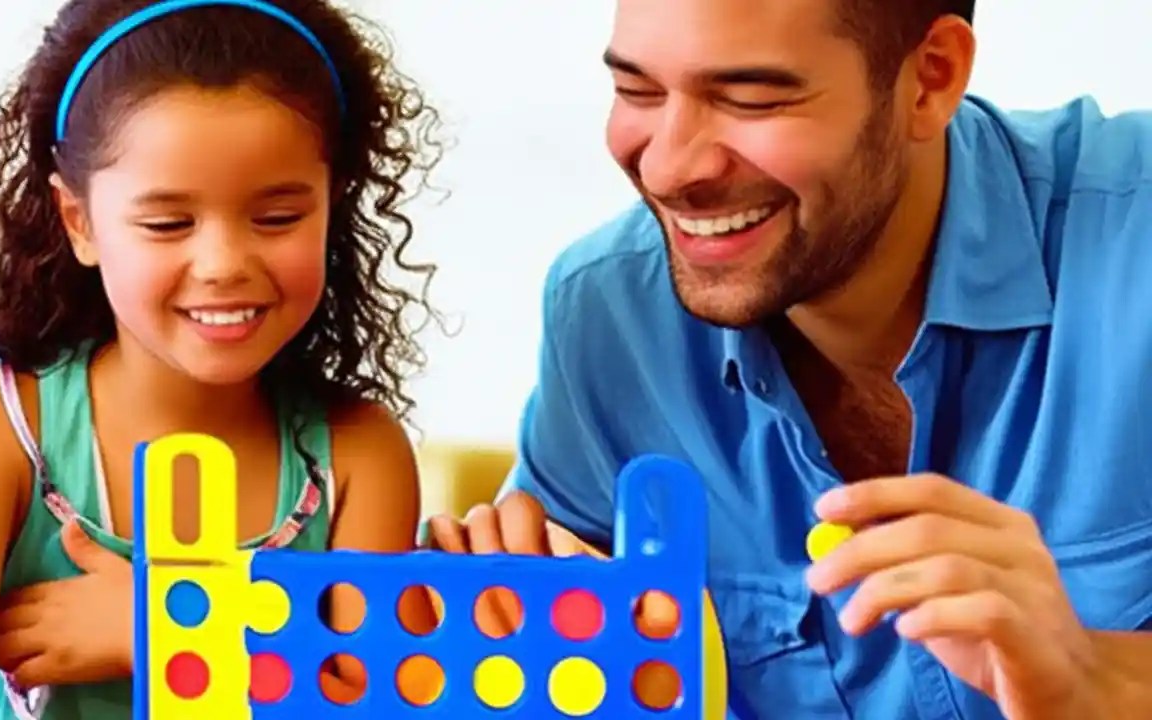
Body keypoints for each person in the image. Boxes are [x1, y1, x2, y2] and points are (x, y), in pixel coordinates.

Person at [426, 0, 1152, 718]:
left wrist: (1097, 680)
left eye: (752, 98)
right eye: (636, 91)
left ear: (930, 79)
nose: (670, 167)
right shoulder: (606, 316)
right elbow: (564, 652)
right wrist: (513, 644)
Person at [0, 0, 445, 717]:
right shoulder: (2, 424)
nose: (224, 264)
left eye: (277, 218)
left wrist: (170, 629)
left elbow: (367, 703)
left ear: (333, 205)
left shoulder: (358, 454)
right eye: (168, 223)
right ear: (79, 221)